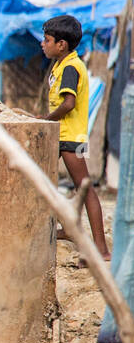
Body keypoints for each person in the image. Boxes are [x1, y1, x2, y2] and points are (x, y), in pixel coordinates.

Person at [42, 14, 110, 262]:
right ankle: (70, 229)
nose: (43, 44)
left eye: (47, 40)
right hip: (65, 135)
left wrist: (47, 119)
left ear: (62, 44)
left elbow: (68, 103)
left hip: (71, 137)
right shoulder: (62, 64)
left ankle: (101, 250)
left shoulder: (71, 67)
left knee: (86, 189)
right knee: (49, 180)